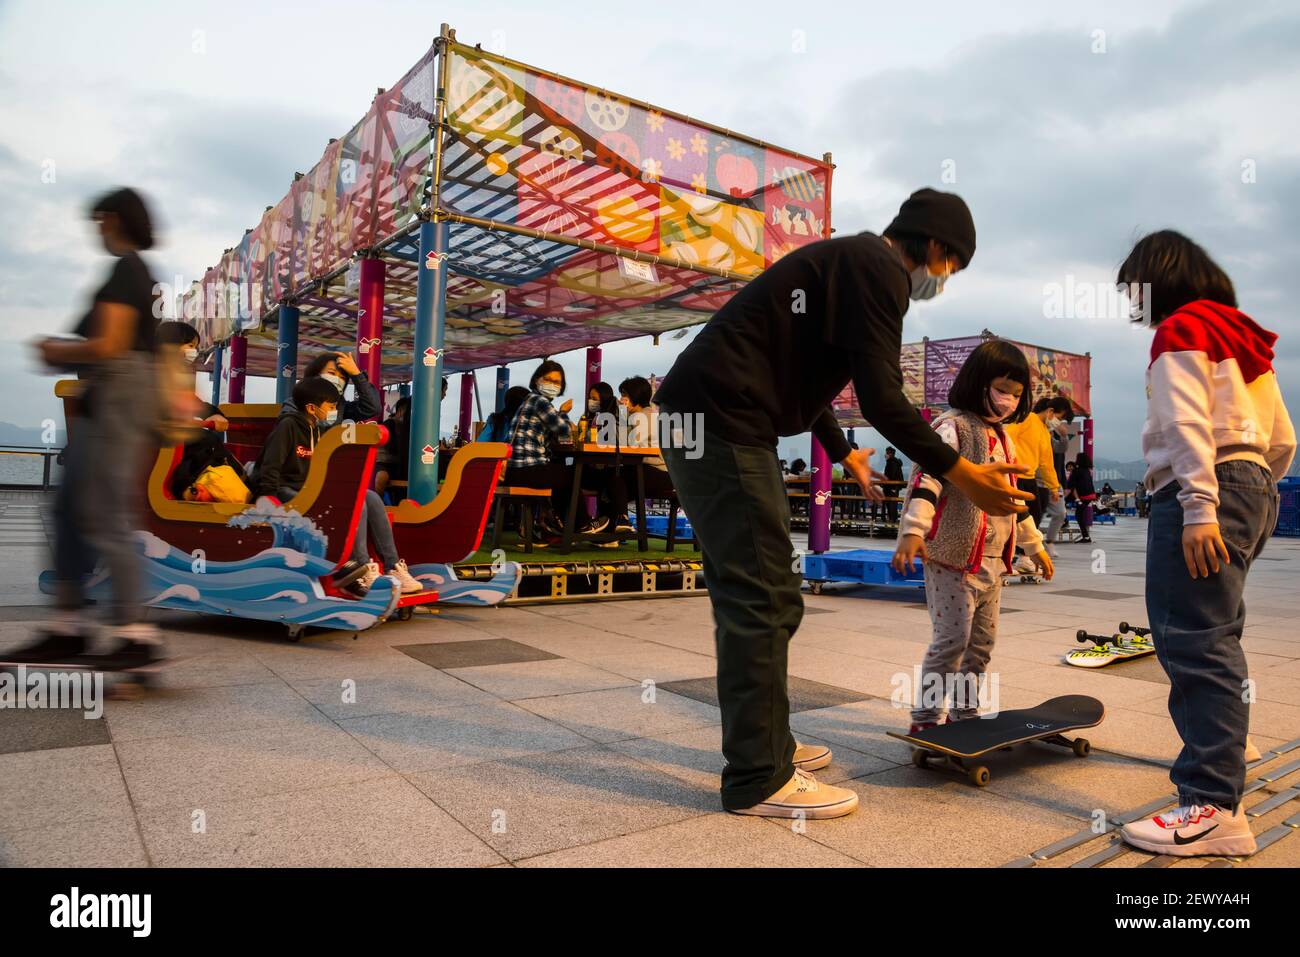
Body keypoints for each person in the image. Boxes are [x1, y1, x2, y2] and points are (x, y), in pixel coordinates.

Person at [653, 187, 1032, 819]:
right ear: (936, 247)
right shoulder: (878, 269)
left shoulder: (854, 264)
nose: (942, 282)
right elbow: (883, 398)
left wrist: (845, 451)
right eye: (950, 268)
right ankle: (757, 777)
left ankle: (767, 742)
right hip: (719, 421)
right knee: (763, 595)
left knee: (765, 591)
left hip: (715, 418)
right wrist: (962, 472)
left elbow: (809, 375)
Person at [1116, 230, 1294, 858]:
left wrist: (1198, 504)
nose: (1133, 305)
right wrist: (1252, 491)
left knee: (1191, 639)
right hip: (1251, 480)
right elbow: (1282, 439)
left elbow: (1185, 420)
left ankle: (1212, 806)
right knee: (1216, 632)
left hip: (1203, 484)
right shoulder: (1240, 335)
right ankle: (1225, 748)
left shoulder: (1181, 330)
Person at [13, 188, 169, 668]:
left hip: (119, 396)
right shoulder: (133, 272)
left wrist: (55, 351)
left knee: (101, 515)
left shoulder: (128, 270)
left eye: (99, 217)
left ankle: (134, 634)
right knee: (68, 511)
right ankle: (68, 626)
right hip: (114, 398)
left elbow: (110, 344)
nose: (95, 227)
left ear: (115, 219)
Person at [893, 341, 1053, 731]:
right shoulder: (953, 427)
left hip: (994, 562)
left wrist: (1035, 546)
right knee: (951, 642)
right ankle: (926, 718)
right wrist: (914, 530)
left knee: (980, 647)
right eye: (1002, 389)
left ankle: (965, 713)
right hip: (953, 559)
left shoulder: (1004, 437)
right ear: (977, 382)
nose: (1010, 401)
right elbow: (926, 479)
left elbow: (1012, 500)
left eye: (1017, 394)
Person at [251, 377, 421, 594]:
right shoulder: (289, 426)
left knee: (369, 496)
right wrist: (267, 498)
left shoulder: (318, 429)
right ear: (312, 408)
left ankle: (393, 566)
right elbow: (270, 465)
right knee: (353, 502)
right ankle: (358, 568)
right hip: (283, 488)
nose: (334, 411)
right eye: (330, 406)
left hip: (308, 488)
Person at [505, 360, 606, 536]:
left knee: (561, 475)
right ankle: (582, 525)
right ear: (537, 380)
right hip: (526, 470)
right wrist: (564, 412)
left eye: (557, 382)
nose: (552, 385)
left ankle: (562, 524)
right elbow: (564, 429)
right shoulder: (539, 401)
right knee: (571, 475)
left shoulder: (529, 400)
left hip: (516, 470)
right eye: (548, 379)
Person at [1003, 396, 1065, 570]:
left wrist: (1053, 487)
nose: (1058, 422)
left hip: (1029, 478)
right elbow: (1007, 436)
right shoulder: (1027, 418)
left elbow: (1046, 463)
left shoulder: (1045, 432)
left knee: (1034, 516)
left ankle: (1024, 558)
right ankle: (1003, 558)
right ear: (1050, 411)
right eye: (1059, 417)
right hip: (1013, 475)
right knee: (1010, 519)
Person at [375, 396, 410, 503]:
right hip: (385, 463)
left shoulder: (408, 428)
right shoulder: (389, 425)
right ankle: (377, 506)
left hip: (398, 465)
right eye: (409, 413)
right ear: (399, 412)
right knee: (381, 476)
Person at [1066, 452, 1096, 543]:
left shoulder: (1076, 471)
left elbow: (1071, 486)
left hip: (1082, 496)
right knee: (1079, 515)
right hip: (1090, 496)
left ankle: (1086, 537)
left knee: (1078, 515)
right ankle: (1086, 536)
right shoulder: (1088, 470)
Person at [882, 447, 905, 523]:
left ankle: (892, 519)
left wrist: (884, 480)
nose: (885, 454)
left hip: (891, 486)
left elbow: (891, 475)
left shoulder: (892, 462)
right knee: (892, 502)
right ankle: (892, 518)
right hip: (894, 486)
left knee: (891, 503)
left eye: (887, 453)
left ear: (891, 454)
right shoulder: (893, 462)